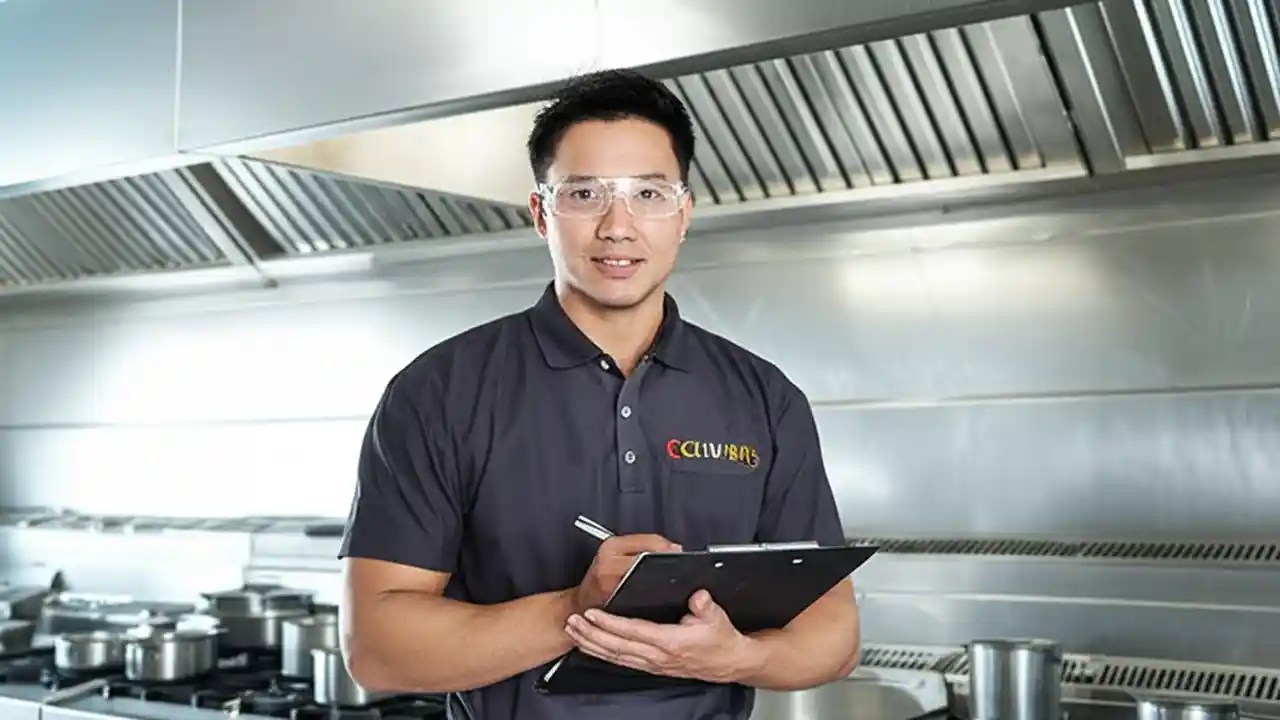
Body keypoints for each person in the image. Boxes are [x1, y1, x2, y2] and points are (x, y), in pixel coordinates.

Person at [337, 68, 860, 720]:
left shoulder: (765, 397)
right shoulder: (438, 392)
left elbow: (834, 635)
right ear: (540, 214)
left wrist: (730, 657)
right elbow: (375, 649)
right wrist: (573, 608)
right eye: (584, 193)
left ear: (684, 214)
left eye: (649, 193)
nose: (618, 225)